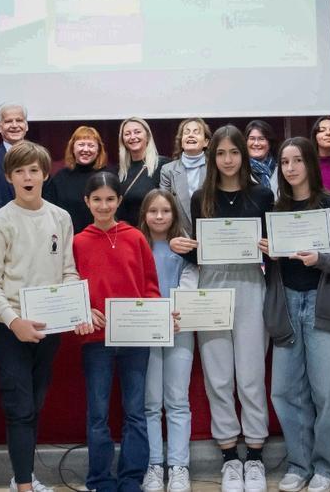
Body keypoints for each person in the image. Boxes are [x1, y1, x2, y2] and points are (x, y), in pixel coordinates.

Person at [0, 141, 90, 492]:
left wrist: (74, 305)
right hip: (9, 327)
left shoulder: (61, 217)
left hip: (49, 326)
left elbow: (69, 271)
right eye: (19, 171)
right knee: (19, 406)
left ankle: (21, 476)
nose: (27, 177)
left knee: (36, 402)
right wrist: (14, 321)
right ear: (9, 177)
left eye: (33, 170)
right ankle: (25, 485)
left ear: (45, 174)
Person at [263, 137, 330, 492]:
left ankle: (325, 467)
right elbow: (267, 265)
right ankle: (299, 463)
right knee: (284, 391)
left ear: (310, 163)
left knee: (326, 394)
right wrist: (268, 253)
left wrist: (322, 259)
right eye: (285, 162)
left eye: (297, 160)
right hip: (287, 307)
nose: (291, 168)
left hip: (324, 306)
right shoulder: (275, 209)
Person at [172, 125, 275, 492]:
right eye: (221, 153)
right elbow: (202, 251)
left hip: (250, 284)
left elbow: (270, 247)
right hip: (211, 285)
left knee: (250, 376)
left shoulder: (262, 195)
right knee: (218, 376)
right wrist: (185, 246)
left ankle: (256, 456)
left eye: (234, 153)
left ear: (244, 156)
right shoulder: (202, 196)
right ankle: (230, 457)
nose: (228, 159)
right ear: (212, 157)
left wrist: (269, 245)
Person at [75, 171, 163, 492]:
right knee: (98, 413)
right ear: (87, 202)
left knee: (135, 412)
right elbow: (72, 287)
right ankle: (100, 479)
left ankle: (130, 479)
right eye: (97, 199)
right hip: (95, 339)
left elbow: (151, 285)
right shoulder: (78, 242)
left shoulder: (135, 237)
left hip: (135, 337)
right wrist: (83, 311)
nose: (103, 205)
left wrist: (155, 316)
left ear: (119, 201)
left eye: (110, 199)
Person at [139, 189, 196, 492]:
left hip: (178, 328)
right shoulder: (136, 244)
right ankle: (153, 464)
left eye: (165, 211)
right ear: (144, 215)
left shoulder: (184, 246)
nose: (159, 217)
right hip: (146, 330)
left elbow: (191, 280)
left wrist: (177, 308)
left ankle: (178, 466)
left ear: (174, 214)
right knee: (150, 403)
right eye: (153, 211)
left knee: (177, 400)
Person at [44, 126, 109, 233]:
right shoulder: (60, 177)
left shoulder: (107, 177)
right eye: (81, 144)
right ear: (72, 149)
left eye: (91, 145)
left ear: (98, 150)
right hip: (67, 239)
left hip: (100, 237)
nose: (86, 149)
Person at [159, 117, 211, 232]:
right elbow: (165, 206)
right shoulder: (168, 170)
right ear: (181, 141)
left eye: (196, 132)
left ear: (206, 142)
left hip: (210, 234)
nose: (190, 135)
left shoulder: (215, 168)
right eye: (186, 132)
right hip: (179, 235)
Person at [118, 117, 170, 227]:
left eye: (137, 132)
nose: (132, 137)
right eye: (127, 134)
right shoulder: (118, 171)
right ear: (122, 139)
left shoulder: (164, 166)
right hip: (126, 235)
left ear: (148, 136)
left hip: (154, 234)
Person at [0, 102, 30, 203]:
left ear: (26, 126)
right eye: (8, 121)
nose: (14, 125)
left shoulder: (39, 156)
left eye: (19, 120)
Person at [244, 120, 279, 193]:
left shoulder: (280, 170)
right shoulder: (241, 170)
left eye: (261, 139)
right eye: (252, 139)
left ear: (270, 143)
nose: (256, 143)